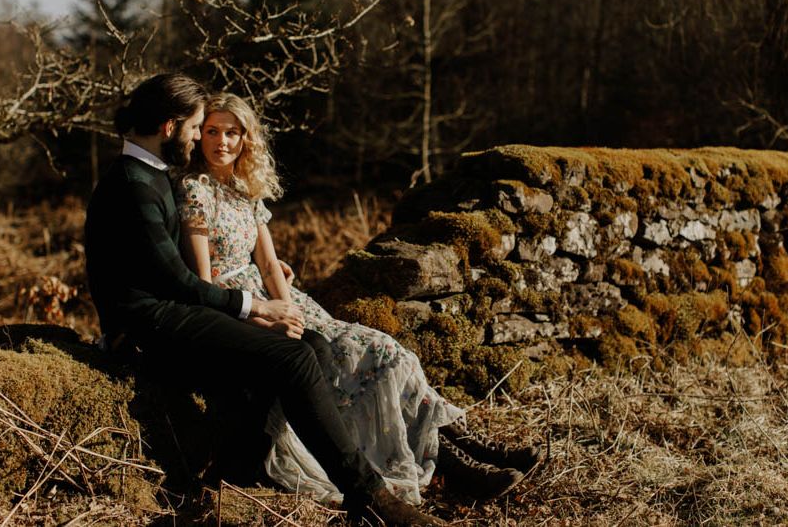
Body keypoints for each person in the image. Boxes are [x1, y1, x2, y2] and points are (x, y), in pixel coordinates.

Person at [84, 72, 444, 526]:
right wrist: (256, 307)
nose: (199, 137)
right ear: (170, 126)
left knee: (309, 346)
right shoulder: (132, 186)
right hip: (147, 327)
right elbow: (178, 281)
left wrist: (259, 275)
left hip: (174, 311)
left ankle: (237, 468)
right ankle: (368, 497)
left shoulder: (150, 174)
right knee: (291, 359)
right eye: (197, 127)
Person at [173, 92, 542, 504]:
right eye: (212, 132)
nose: (222, 142)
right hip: (239, 305)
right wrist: (266, 317)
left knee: (389, 351)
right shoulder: (194, 190)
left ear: (247, 139)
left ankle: (469, 448)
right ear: (199, 135)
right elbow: (205, 280)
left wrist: (291, 307)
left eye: (232, 133)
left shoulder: (246, 189)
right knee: (353, 358)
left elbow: (270, 264)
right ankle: (455, 467)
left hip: (279, 297)